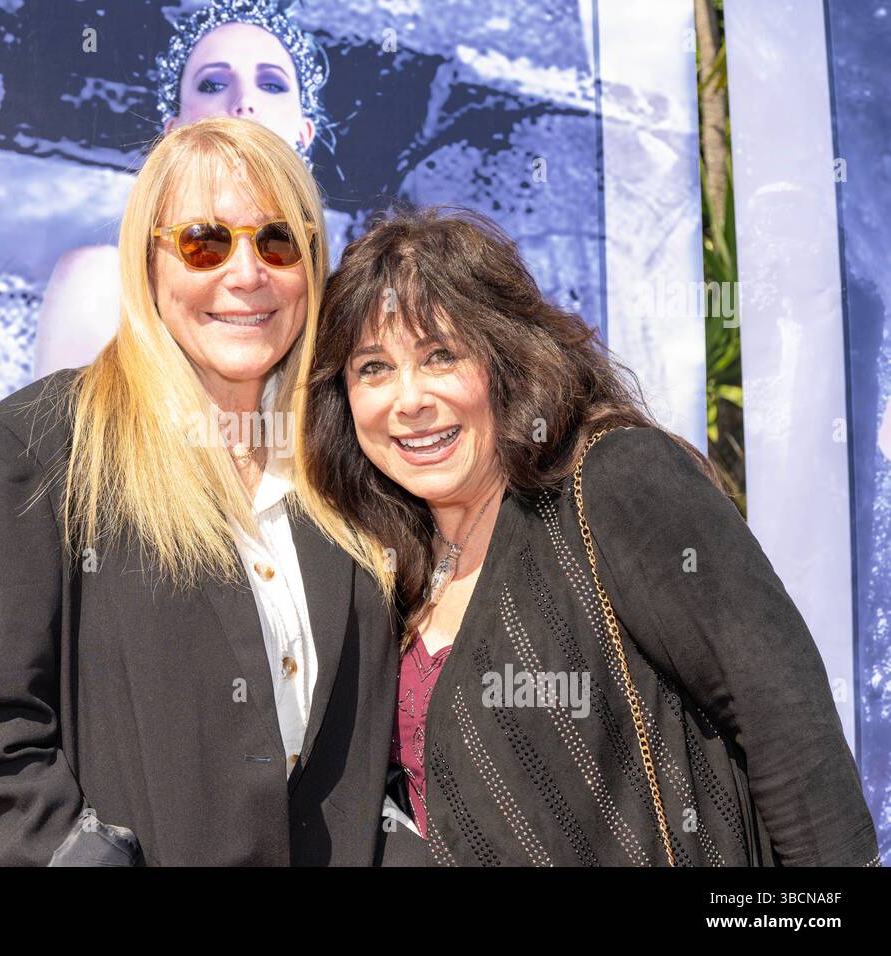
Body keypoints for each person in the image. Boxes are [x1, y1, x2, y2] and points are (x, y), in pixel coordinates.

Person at [301, 204, 882, 866]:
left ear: (505, 360)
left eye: (440, 356)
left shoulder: (616, 481)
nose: (409, 399)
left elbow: (788, 725)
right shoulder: (386, 571)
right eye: (373, 367)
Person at [0, 115, 399, 866]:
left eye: (277, 241)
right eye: (205, 242)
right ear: (148, 264)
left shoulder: (348, 462)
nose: (246, 274)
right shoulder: (39, 450)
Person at [32, 0, 335, 377]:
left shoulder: (342, 307)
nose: (244, 103)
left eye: (271, 84)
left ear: (306, 131)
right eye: (213, 83)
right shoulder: (101, 287)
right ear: (172, 129)